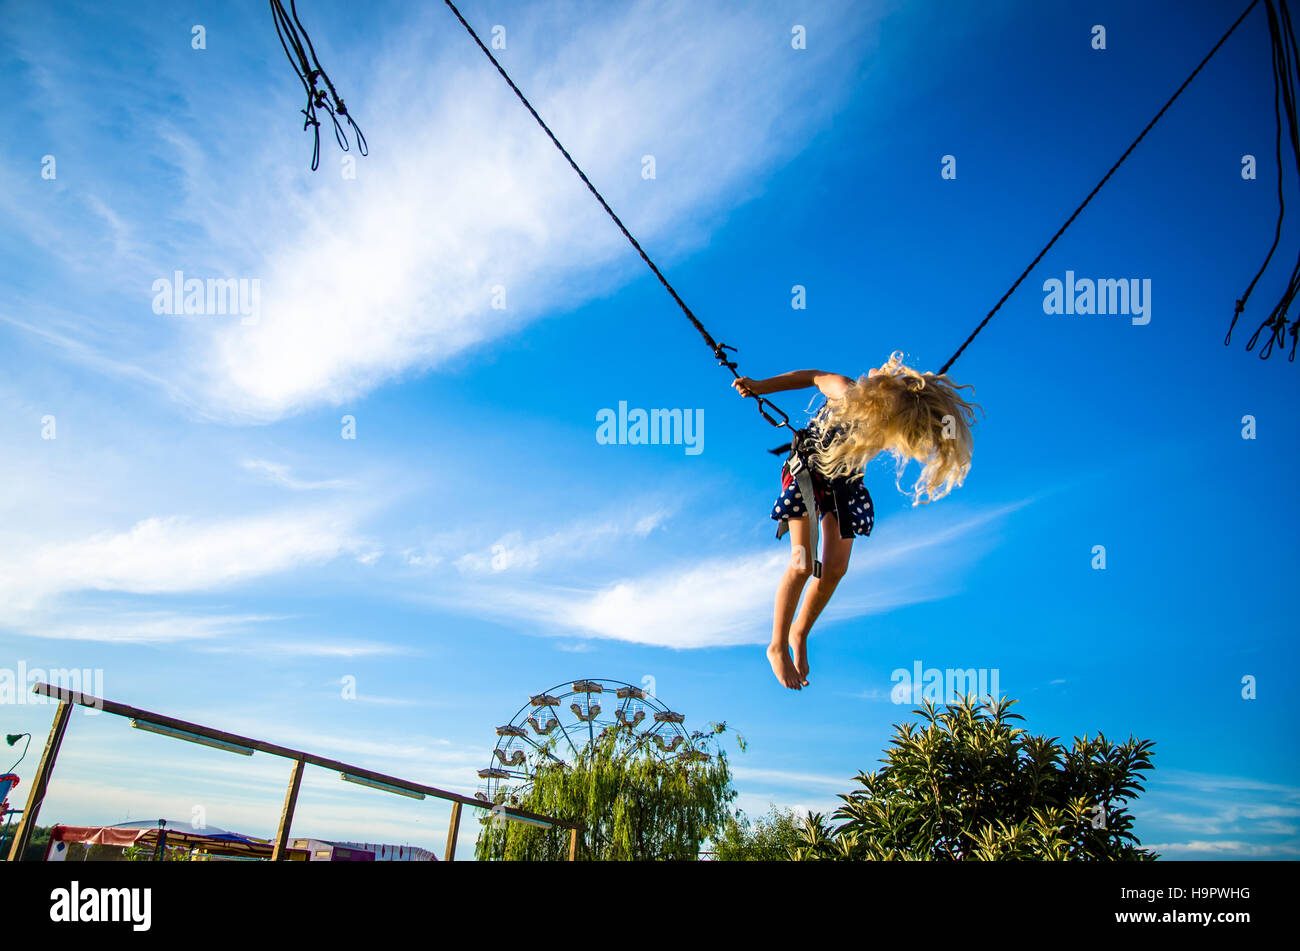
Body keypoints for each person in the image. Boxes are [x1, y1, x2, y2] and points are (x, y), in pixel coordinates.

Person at [732, 352, 979, 690]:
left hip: (844, 483)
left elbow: (915, 415)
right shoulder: (845, 390)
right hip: (807, 470)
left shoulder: (888, 426)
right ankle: (776, 645)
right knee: (803, 563)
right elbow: (813, 374)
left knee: (835, 568)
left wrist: (926, 405)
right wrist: (761, 387)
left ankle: (799, 634)